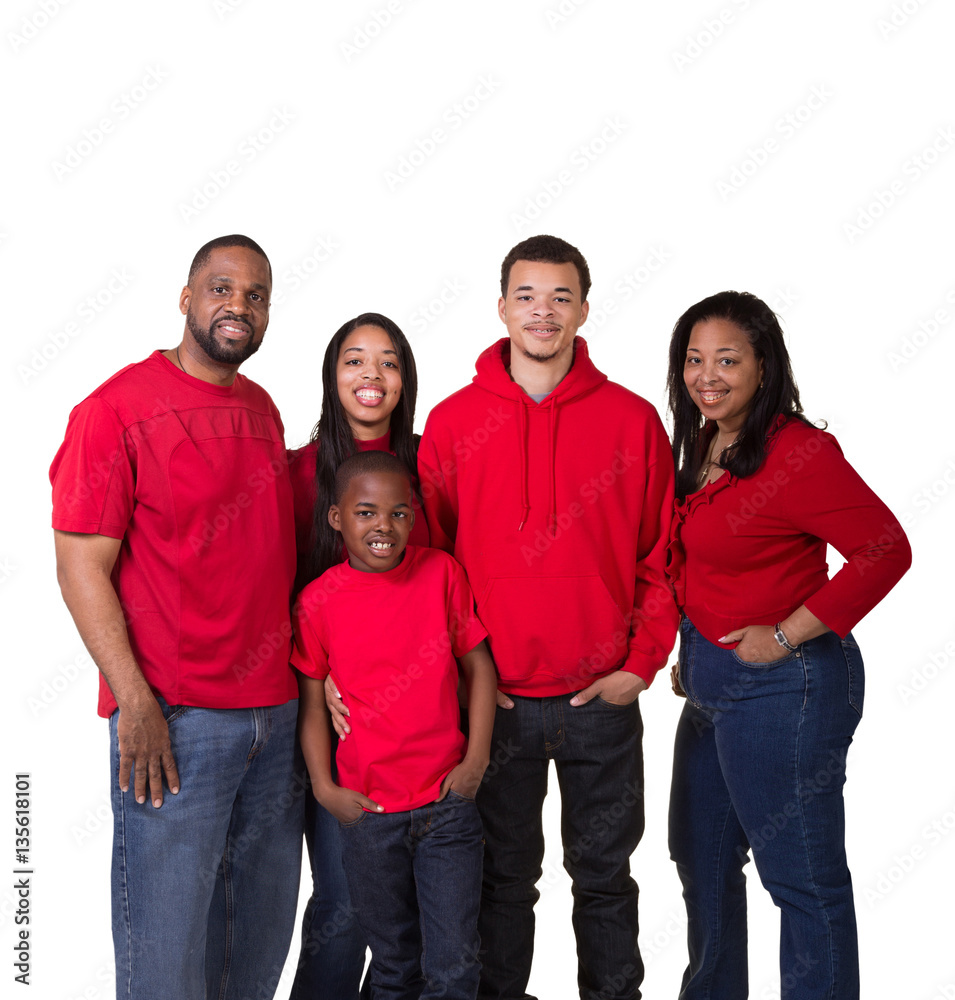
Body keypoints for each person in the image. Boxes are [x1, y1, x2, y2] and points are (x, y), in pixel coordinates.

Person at [417, 234, 679, 1000]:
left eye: (560, 297)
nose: (543, 312)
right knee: (501, 881)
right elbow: (429, 566)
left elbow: (660, 556)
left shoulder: (633, 421)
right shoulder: (453, 422)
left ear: (583, 310)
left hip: (600, 699)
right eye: (526, 296)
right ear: (501, 307)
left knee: (604, 880)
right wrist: (465, 678)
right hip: (495, 703)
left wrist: (640, 665)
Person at [50, 235, 303, 999]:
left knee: (252, 960)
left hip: (274, 719)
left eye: (256, 295)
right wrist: (135, 701)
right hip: (175, 722)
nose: (239, 306)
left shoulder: (260, 408)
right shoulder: (113, 411)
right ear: (187, 298)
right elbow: (80, 567)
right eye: (221, 288)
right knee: (165, 967)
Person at [665, 290, 911, 999]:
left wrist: (783, 635)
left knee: (801, 879)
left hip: (786, 687)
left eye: (727, 360)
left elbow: (885, 549)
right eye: (693, 360)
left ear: (764, 366)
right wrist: (694, 645)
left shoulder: (800, 452)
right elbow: (706, 561)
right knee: (701, 856)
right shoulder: (705, 439)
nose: (706, 376)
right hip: (712, 682)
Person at [293, 450, 497, 1000]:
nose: (383, 526)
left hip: (445, 805)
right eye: (365, 513)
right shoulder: (318, 601)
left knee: (453, 966)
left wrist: (475, 761)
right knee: (392, 965)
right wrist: (324, 788)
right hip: (369, 814)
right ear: (336, 518)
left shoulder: (441, 573)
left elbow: (479, 667)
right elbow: (312, 706)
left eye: (398, 513)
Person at [287, 313, 428, 999]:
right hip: (340, 726)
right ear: (331, 375)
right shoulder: (297, 472)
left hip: (428, 724)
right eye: (354, 359)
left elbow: (457, 579)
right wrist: (323, 677)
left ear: (405, 380)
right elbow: (275, 588)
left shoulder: (432, 462)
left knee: (423, 910)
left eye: (388, 361)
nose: (372, 374)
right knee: (345, 904)